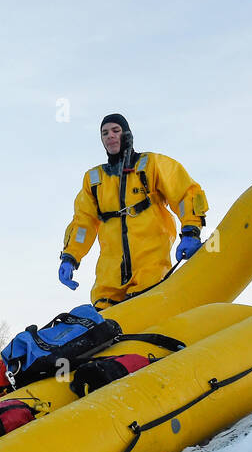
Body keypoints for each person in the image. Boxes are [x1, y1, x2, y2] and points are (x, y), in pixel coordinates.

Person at [59, 114, 209, 310]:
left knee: (149, 312)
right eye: (105, 133)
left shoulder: (151, 165)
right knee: (104, 323)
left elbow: (185, 193)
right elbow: (83, 223)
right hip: (109, 282)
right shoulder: (94, 179)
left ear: (127, 135)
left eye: (116, 131)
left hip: (150, 271)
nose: (110, 136)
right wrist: (70, 257)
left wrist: (191, 231)